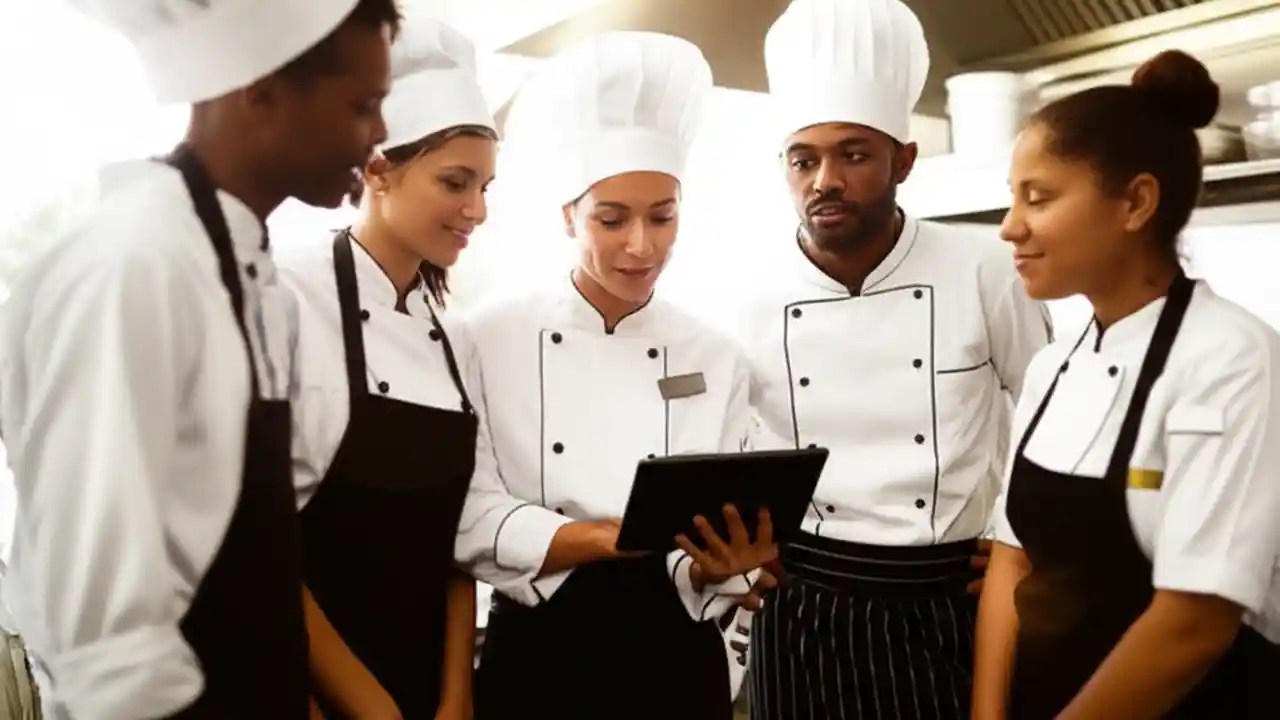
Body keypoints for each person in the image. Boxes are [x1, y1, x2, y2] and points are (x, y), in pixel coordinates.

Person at [0, 0, 399, 717]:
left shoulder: (250, 273)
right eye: (364, 105)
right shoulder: (136, 263)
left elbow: (256, 564)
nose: (379, 136)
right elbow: (102, 640)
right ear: (261, 92)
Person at [736, 0, 1052, 717]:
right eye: (804, 159)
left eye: (853, 154)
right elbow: (720, 447)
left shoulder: (984, 269)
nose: (825, 181)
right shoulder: (748, 296)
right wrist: (740, 552)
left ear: (902, 161)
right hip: (804, 605)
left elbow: (1049, 417)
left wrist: (1017, 544)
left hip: (947, 600)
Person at [453, 31, 776, 720]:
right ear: (568, 216)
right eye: (612, 219)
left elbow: (716, 536)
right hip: (541, 643)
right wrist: (605, 536)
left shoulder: (715, 353)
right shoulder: (486, 335)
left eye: (663, 218)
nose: (642, 245)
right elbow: (467, 512)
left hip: (673, 652)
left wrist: (723, 563)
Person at [972, 49, 1280, 719]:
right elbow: (1011, 563)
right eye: (1011, 195)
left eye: (1039, 196)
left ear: (1136, 201)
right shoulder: (1053, 367)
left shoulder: (1231, 358)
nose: (1010, 225)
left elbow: (1194, 623)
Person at [279, 15, 496, 720]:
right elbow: (260, 547)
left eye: (486, 186)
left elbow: (454, 539)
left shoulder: (453, 337)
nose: (477, 209)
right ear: (378, 171)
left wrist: (455, 698)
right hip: (305, 682)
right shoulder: (289, 299)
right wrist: (370, 708)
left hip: (425, 684)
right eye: (456, 182)